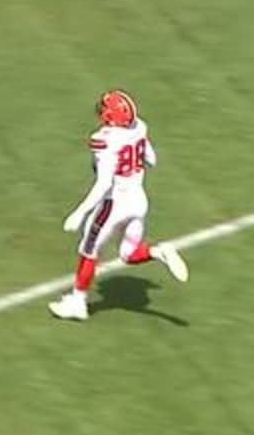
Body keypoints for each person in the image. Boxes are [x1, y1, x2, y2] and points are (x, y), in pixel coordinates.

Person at [47, 90, 188, 321]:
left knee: (89, 251)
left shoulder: (104, 139)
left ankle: (77, 302)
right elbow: (152, 160)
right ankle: (158, 251)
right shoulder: (139, 128)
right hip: (139, 200)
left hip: (115, 205)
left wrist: (79, 213)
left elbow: (103, 184)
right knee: (128, 254)